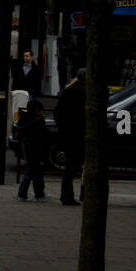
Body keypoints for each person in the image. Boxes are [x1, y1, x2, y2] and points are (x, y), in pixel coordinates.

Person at [55, 69, 86, 205]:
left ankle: (66, 195)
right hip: (81, 133)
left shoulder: (68, 91)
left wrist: (63, 127)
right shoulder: (87, 93)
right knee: (82, 166)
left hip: (68, 134)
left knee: (69, 167)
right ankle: (81, 195)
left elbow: (57, 112)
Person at [15, 99, 49, 201]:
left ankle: (39, 193)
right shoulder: (39, 120)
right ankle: (23, 193)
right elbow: (44, 136)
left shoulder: (23, 118)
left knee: (34, 171)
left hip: (26, 147)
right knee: (31, 171)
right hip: (36, 148)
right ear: (37, 110)